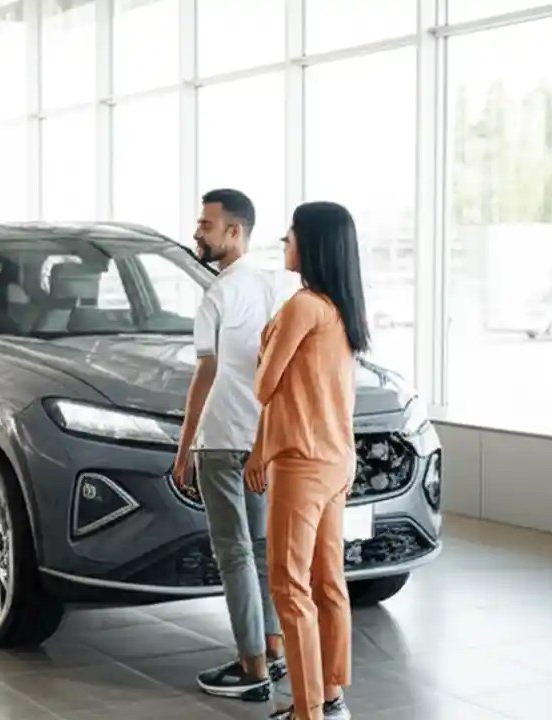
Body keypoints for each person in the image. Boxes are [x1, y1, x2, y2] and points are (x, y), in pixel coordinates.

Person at [171, 189, 299, 701]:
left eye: (206, 224)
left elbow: (207, 373)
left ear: (234, 232)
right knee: (264, 550)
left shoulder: (218, 295)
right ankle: (272, 649)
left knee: (234, 554)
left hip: (221, 439)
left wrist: (184, 449)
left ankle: (251, 669)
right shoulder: (277, 287)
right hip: (262, 438)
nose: (198, 232)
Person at [245, 201, 370, 720]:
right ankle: (331, 697)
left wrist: (266, 338)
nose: (283, 240)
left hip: (300, 464)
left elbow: (264, 385)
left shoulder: (302, 307)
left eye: (291, 233)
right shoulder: (342, 310)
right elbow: (304, 392)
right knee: (327, 581)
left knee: (288, 587)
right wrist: (260, 448)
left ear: (312, 243)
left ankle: (306, 711)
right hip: (336, 461)